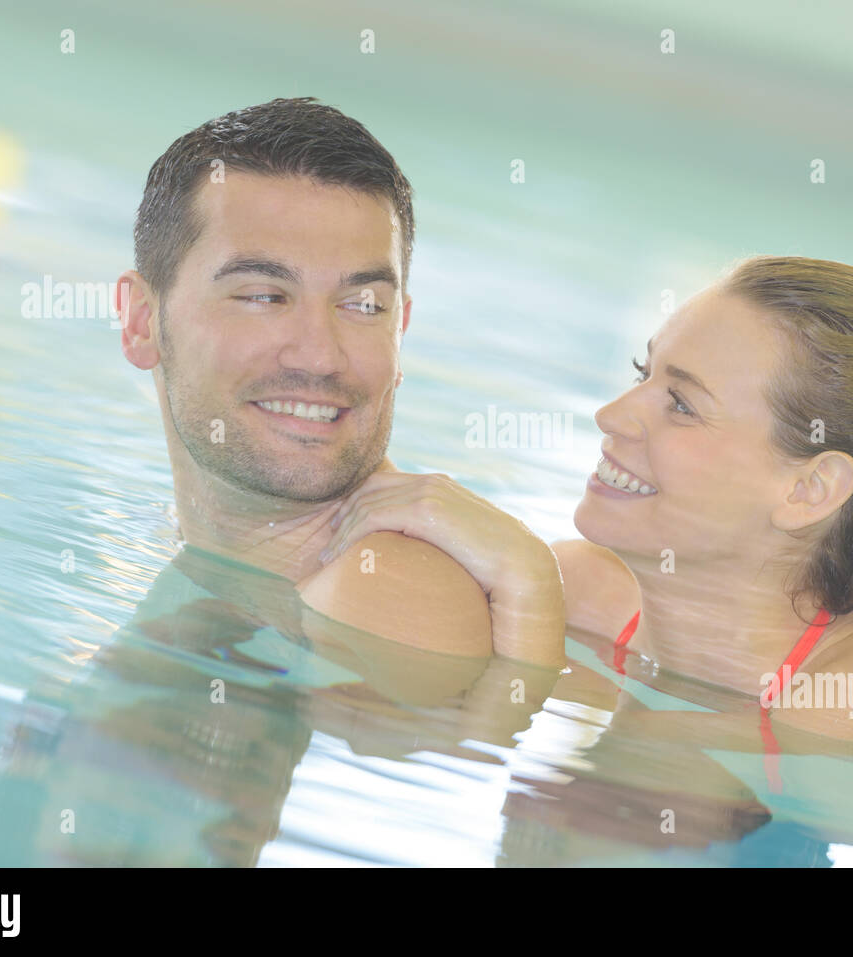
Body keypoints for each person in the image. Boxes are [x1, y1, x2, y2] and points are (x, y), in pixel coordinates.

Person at [322, 256, 853, 754]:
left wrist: (525, 589)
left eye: (682, 404)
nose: (611, 416)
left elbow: (661, 811)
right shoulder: (581, 589)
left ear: (809, 489)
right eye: (644, 374)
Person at [114, 97, 565, 668]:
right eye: (263, 297)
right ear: (141, 321)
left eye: (363, 304)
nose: (321, 355)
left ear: (399, 329)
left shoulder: (379, 595)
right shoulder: (196, 537)